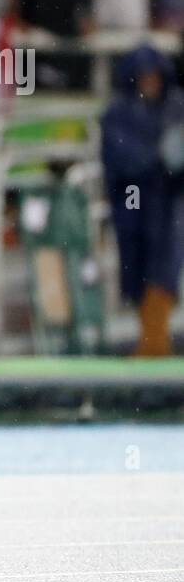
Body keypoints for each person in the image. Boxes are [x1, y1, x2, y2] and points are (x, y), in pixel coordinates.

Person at [101, 45, 184, 356]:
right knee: (136, 278)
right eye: (143, 77)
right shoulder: (118, 114)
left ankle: (153, 350)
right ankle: (151, 349)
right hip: (132, 209)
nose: (150, 83)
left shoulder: (175, 107)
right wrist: (160, 157)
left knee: (163, 277)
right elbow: (122, 159)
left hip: (167, 212)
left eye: (154, 77)